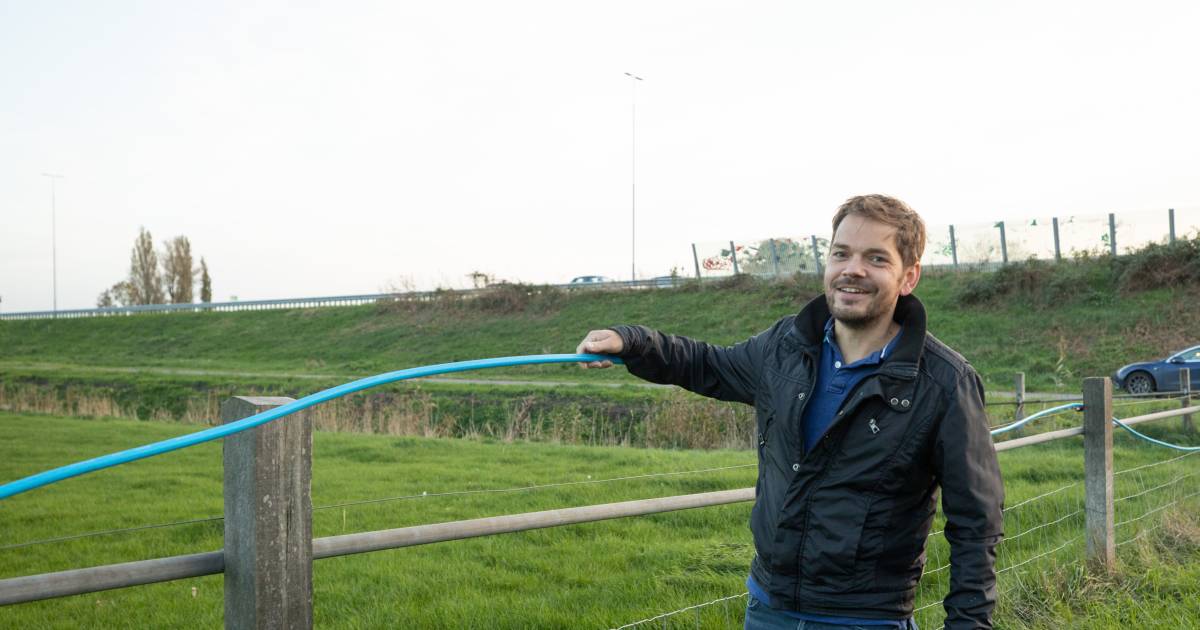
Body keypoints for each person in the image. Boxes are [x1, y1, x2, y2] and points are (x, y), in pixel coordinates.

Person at [576, 195, 1003, 629]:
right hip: (768, 609)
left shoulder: (945, 384)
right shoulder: (785, 346)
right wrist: (630, 341)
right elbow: (707, 365)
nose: (852, 269)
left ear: (908, 276)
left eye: (876, 257)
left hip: (865, 620)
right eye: (841, 253)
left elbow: (976, 525)